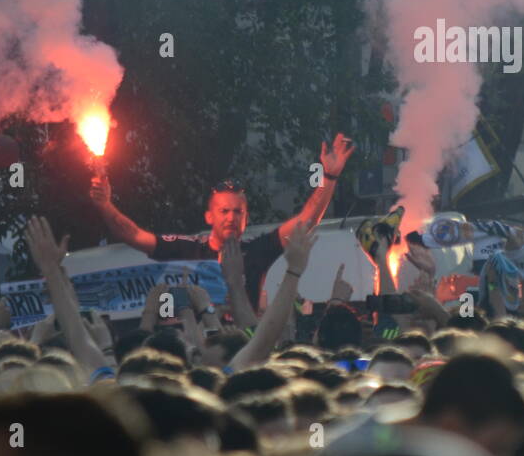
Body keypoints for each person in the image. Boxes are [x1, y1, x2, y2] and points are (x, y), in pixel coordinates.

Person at [89, 134, 355, 321]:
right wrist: (104, 205)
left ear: (246, 218)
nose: (230, 217)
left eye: (237, 211)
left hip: (243, 344)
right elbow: (133, 236)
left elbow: (306, 221)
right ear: (209, 216)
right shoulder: (185, 248)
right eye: (224, 211)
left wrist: (329, 177)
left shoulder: (257, 251)